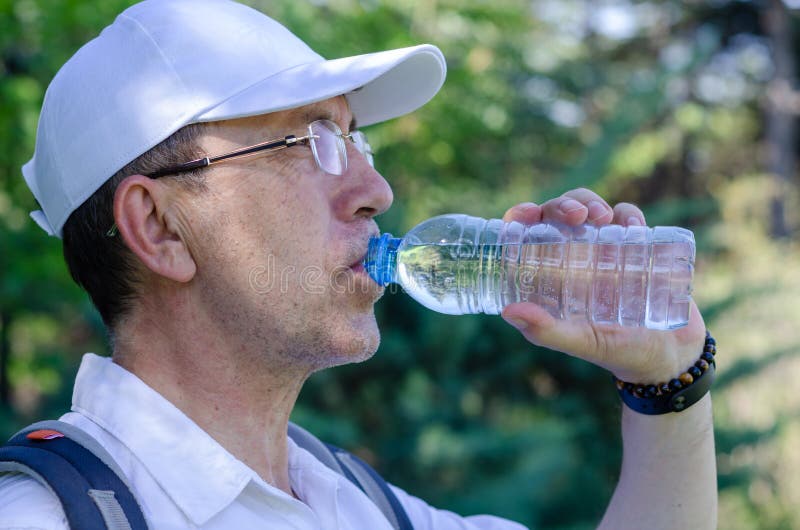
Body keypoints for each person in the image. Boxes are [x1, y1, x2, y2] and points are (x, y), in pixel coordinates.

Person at [0, 0, 717, 528]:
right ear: (160, 230)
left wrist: (665, 380)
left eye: (353, 139)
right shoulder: (47, 518)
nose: (376, 191)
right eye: (307, 142)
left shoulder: (359, 506)